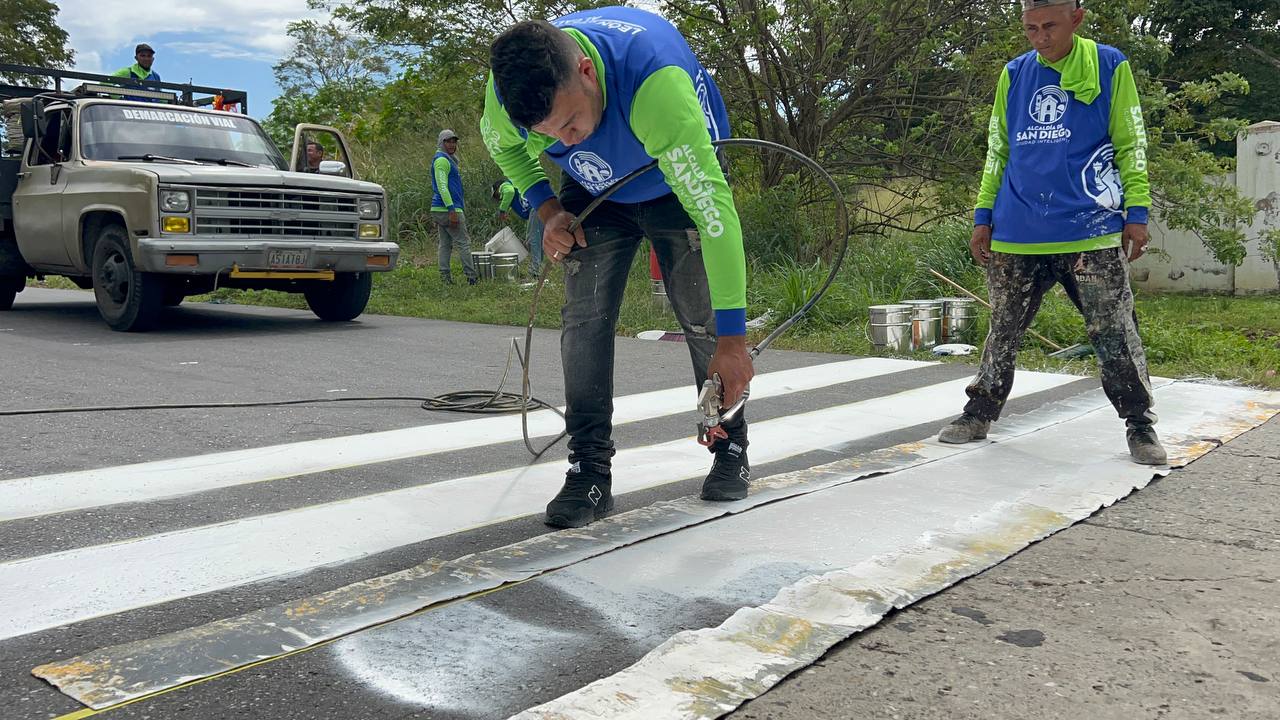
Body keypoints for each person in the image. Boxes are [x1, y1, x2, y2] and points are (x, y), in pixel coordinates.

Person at [482, 6, 754, 528]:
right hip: (594, 191)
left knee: (704, 317)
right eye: (549, 136)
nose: (565, 141)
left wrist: (734, 343)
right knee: (583, 319)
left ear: (586, 70)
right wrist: (547, 208)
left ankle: (730, 448)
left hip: (673, 183)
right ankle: (588, 468)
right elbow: (505, 149)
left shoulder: (657, 90)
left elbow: (716, 218)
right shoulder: (508, 94)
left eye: (569, 123)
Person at [937, 0, 1166, 465]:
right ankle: (978, 412)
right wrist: (983, 213)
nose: (1040, 38)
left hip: (1091, 227)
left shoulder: (1108, 65)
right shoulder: (1015, 74)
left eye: (1050, 27)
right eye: (1031, 28)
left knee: (1114, 332)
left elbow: (1130, 141)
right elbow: (997, 148)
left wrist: (1136, 212)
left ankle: (1140, 425)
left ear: (1076, 19)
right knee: (1003, 329)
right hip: (1018, 227)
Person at [431, 129, 477, 285]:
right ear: (441, 142)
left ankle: (445, 278)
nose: (451, 144)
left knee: (445, 244)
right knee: (464, 243)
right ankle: (471, 278)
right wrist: (451, 210)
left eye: (454, 141)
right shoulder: (442, 160)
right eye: (448, 141)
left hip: (440, 209)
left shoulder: (449, 160)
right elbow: (442, 186)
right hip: (448, 209)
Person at [492, 178, 544, 274]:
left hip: (536, 209)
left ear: (498, 188)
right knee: (536, 239)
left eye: (497, 195)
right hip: (539, 207)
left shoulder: (505, 185)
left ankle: (535, 270)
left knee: (534, 240)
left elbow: (509, 192)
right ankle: (538, 267)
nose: (499, 198)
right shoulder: (515, 191)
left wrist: (502, 210)